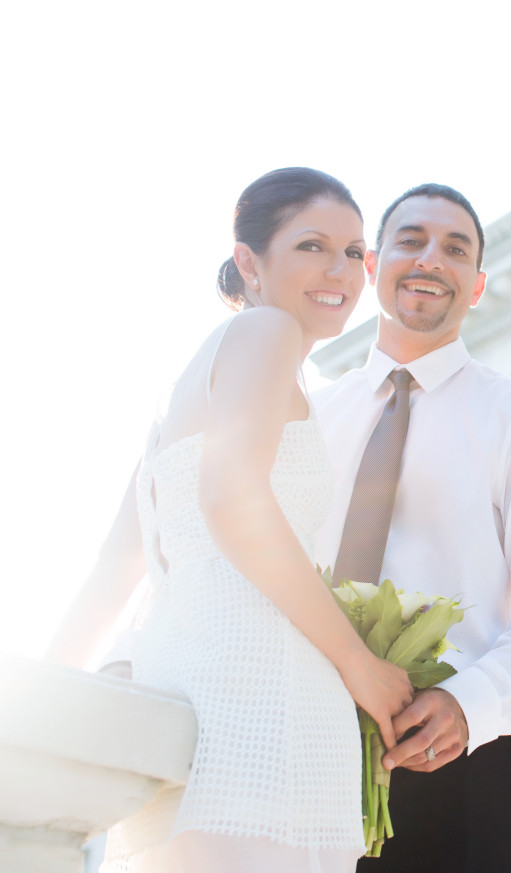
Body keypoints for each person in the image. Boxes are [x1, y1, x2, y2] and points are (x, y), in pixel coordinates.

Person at [47, 168, 413, 873]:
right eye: (312, 246)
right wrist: (361, 665)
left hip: (184, 699)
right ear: (249, 260)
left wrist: (32, 707)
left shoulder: (178, 398)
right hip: (257, 710)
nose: (339, 270)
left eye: (351, 251)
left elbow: (114, 570)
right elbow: (234, 501)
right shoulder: (266, 331)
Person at [313, 184, 511, 873]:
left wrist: (469, 703)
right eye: (412, 241)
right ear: (374, 262)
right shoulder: (308, 418)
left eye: (456, 248)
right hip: (307, 748)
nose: (431, 259)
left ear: (475, 287)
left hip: (457, 763)